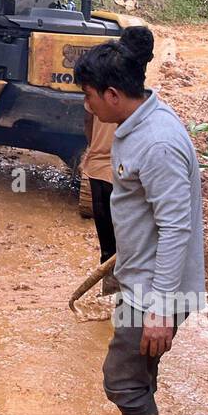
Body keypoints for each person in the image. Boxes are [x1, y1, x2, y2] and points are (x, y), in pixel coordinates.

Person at [70, 26, 205, 415]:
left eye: (89, 96)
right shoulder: (139, 121)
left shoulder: (159, 143)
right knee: (140, 370)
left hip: (155, 292)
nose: (87, 105)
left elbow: (175, 228)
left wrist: (160, 309)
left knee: (123, 377)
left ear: (112, 94)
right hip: (144, 279)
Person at [83, 112, 120, 295]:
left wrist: (94, 145)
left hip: (98, 168)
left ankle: (110, 290)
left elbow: (88, 120)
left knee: (106, 239)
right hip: (121, 172)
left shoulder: (95, 91)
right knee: (124, 235)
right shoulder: (135, 97)